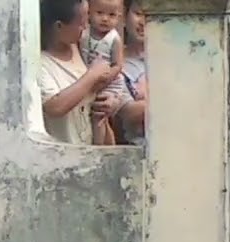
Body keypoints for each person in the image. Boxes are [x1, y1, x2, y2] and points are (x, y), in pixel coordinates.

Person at [39, 0, 123, 145]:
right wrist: (92, 75)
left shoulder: (78, 46)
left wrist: (110, 103)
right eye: (81, 22)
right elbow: (54, 107)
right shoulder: (42, 64)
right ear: (59, 26)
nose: (85, 27)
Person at [79, 0, 128, 145]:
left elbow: (118, 65)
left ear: (119, 17)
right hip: (89, 78)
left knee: (100, 115)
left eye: (111, 15)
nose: (105, 19)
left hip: (110, 83)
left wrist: (107, 77)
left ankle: (99, 148)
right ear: (89, 13)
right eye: (100, 13)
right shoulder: (83, 34)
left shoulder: (114, 39)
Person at [116, 0, 149, 145]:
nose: (142, 22)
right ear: (124, 16)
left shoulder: (169, 58)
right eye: (138, 14)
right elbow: (129, 112)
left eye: (149, 15)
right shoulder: (116, 62)